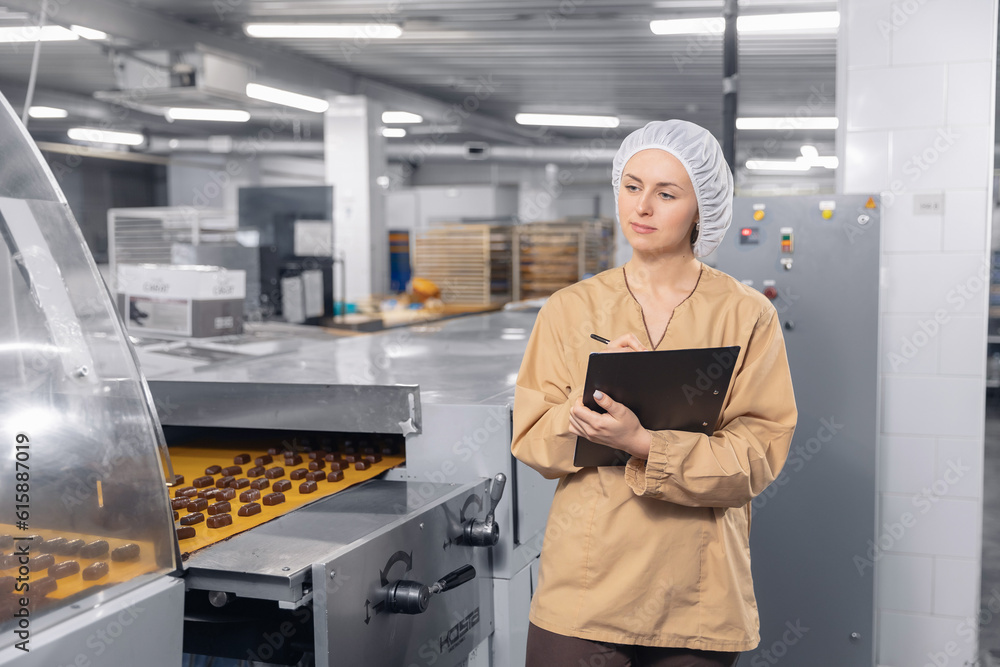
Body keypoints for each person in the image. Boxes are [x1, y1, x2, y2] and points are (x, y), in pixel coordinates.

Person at [511, 120, 798, 667]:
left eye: (667, 193)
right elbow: (530, 437)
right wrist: (584, 408)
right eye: (633, 186)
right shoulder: (570, 309)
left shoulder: (746, 315)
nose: (642, 207)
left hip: (699, 593)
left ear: (701, 209)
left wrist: (644, 442)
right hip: (586, 589)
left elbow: (758, 455)